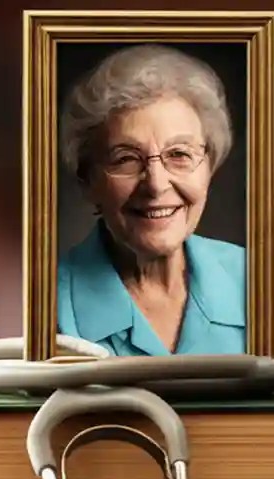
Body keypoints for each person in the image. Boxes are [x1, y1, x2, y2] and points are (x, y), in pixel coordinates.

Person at [57, 43, 244, 356]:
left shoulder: (256, 280)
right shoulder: (42, 305)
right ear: (87, 180)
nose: (156, 185)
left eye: (179, 154)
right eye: (126, 159)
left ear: (209, 167)